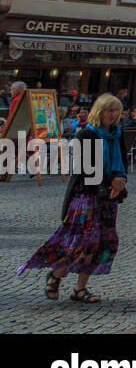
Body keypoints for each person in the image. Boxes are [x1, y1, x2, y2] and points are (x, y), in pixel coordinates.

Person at [20, 93, 128, 303]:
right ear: (99, 111)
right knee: (81, 241)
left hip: (108, 197)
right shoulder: (86, 135)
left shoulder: (117, 133)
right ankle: (55, 275)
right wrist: (110, 181)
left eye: (116, 110)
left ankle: (80, 289)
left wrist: (121, 181)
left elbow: (123, 161)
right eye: (109, 110)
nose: (113, 114)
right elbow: (85, 168)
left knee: (101, 243)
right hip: (86, 195)